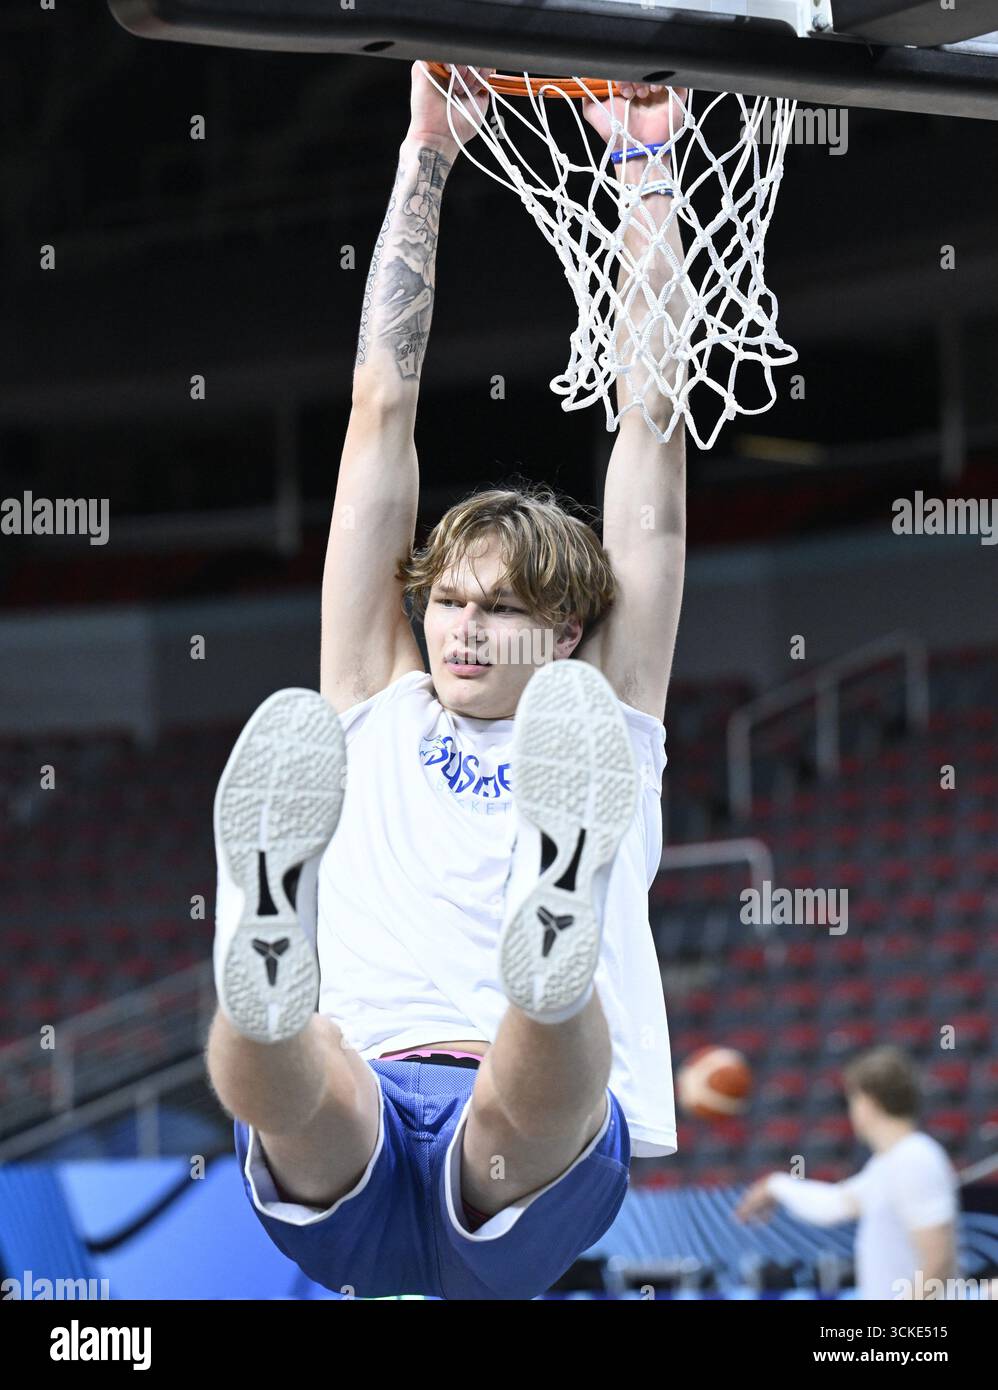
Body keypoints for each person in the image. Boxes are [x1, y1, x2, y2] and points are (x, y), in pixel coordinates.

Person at [206, 62, 689, 1300]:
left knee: (527, 1085)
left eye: (502, 609)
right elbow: (379, 412)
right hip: (377, 1074)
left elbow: (651, 431)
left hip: (516, 1126)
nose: (462, 629)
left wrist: (649, 177)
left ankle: (550, 939)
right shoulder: (375, 695)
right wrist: (424, 155)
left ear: (572, 629)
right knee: (305, 1080)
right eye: (450, 601)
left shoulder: (606, 715)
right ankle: (257, 966)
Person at [736, 1046, 961, 1299]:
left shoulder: (915, 1158)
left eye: (853, 1099)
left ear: (868, 1101)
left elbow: (939, 1263)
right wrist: (775, 1185)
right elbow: (833, 1204)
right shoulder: (887, 1165)